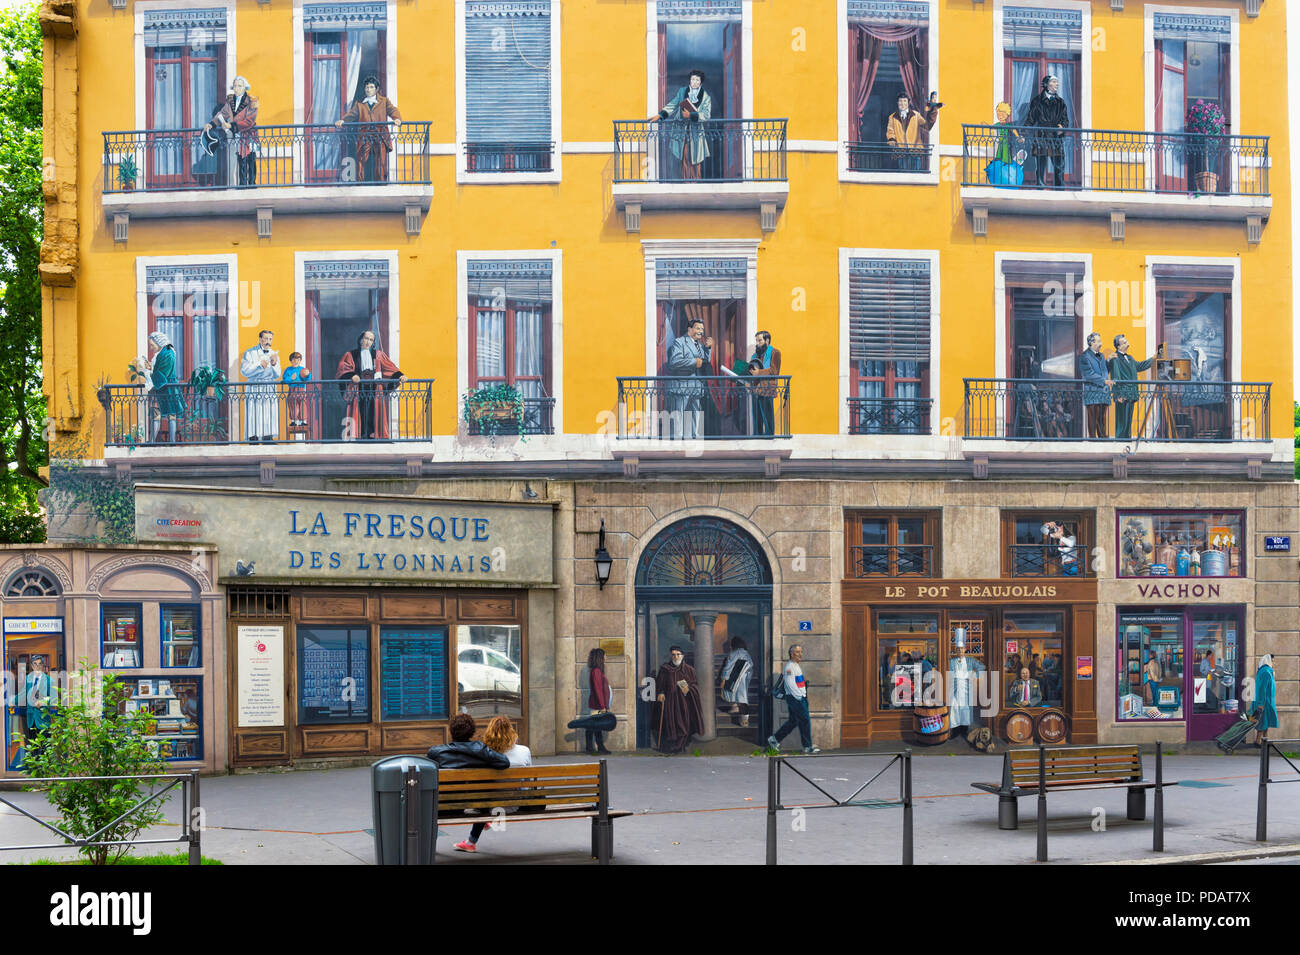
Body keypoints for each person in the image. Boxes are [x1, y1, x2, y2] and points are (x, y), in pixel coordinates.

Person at [452, 715, 532, 853]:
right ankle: (481, 828)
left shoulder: (484, 753)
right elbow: (528, 782)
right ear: (511, 731)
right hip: (516, 805)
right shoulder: (524, 751)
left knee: (482, 798)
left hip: (488, 806)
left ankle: (471, 842)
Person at [335, 330, 406, 440]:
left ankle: (374, 435)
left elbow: (389, 367)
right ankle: (359, 435)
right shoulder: (351, 354)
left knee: (374, 412)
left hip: (375, 389)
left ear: (373, 342)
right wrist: (352, 375)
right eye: (366, 338)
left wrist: (400, 375)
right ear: (360, 340)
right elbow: (343, 368)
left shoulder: (378, 355)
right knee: (360, 412)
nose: (368, 342)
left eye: (371, 340)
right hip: (358, 389)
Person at [335, 76, 402, 182]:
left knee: (381, 161)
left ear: (376, 89)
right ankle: (360, 183)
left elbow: (392, 110)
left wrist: (397, 118)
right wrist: (343, 120)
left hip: (380, 135)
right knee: (361, 160)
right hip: (365, 135)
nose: (368, 90)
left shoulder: (384, 101)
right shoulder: (360, 104)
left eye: (371, 87)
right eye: (367, 87)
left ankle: (380, 183)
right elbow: (351, 115)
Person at [651, 69, 711, 179]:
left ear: (701, 82)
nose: (694, 82)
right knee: (685, 157)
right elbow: (673, 105)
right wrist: (661, 115)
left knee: (696, 160)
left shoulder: (706, 97)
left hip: (696, 133)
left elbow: (706, 115)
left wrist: (691, 115)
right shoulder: (682, 92)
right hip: (682, 132)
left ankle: (696, 183)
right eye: (692, 79)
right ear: (689, 81)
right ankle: (686, 181)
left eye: (697, 80)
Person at [205, 76, 258, 186]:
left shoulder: (251, 102)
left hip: (249, 136)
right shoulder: (230, 102)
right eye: (235, 86)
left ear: (245, 88)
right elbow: (222, 114)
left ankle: (252, 185)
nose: (237, 88)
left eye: (240, 86)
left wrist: (231, 125)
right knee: (241, 162)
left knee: (251, 161)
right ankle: (242, 186)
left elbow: (249, 121)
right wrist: (211, 124)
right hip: (238, 136)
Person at [665, 319, 713, 440]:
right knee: (679, 414)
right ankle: (676, 441)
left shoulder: (700, 346)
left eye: (702, 329)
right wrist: (693, 362)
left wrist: (708, 349)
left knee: (695, 414)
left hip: (696, 386)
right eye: (698, 328)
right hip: (682, 386)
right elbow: (673, 362)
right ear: (689, 329)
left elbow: (704, 362)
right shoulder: (679, 342)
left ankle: (695, 438)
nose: (700, 332)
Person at [768, 644, 820, 754]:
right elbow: (791, 685)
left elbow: (797, 682)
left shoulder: (795, 665)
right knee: (805, 721)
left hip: (797, 697)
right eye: (797, 652)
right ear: (792, 654)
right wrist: (800, 697)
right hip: (796, 698)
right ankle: (807, 746)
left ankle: (774, 739)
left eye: (801, 651)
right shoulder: (789, 667)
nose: (800, 654)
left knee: (793, 721)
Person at [652, 645, 704, 754]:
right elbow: (659, 684)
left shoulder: (690, 670)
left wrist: (689, 688)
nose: (675, 657)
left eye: (678, 654)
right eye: (673, 655)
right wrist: (661, 692)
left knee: (684, 725)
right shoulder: (665, 669)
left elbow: (695, 685)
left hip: (684, 703)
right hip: (670, 702)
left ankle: (680, 746)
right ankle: (675, 746)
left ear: (683, 655)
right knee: (672, 724)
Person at [1023, 74, 1069, 187]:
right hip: (1042, 136)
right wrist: (1023, 133)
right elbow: (1031, 118)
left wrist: (1062, 127)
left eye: (1057, 82)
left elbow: (1065, 120)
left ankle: (1059, 187)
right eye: (1054, 82)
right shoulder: (1037, 101)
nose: (1057, 84)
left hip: (1056, 137)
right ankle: (1040, 185)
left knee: (1059, 164)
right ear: (1047, 85)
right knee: (1041, 163)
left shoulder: (1060, 102)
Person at [1108, 334, 1155, 442]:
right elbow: (1115, 376)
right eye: (1124, 342)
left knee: (1128, 420)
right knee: (1121, 421)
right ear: (1118, 346)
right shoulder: (1115, 358)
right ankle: (1120, 443)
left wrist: (1153, 359)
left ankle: (1126, 442)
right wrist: (1118, 395)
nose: (1127, 343)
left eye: (1126, 341)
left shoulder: (1130, 358)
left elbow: (1140, 366)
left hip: (1131, 393)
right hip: (1123, 393)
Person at [240, 329, 281, 442]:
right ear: (260, 339)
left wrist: (274, 364)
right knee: (254, 414)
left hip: (269, 387)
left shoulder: (274, 354)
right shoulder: (249, 353)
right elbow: (244, 371)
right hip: (255, 386)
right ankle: (254, 439)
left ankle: (268, 438)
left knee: (268, 414)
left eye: (270, 339)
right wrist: (259, 365)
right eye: (266, 339)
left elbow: (277, 374)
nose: (268, 341)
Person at [947, 631, 986, 743]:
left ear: (965, 650)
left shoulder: (970, 660)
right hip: (954, 688)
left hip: (966, 689)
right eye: (958, 649)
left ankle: (964, 730)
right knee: (954, 708)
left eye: (962, 649)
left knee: (965, 709)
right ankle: (955, 731)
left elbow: (982, 667)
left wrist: (974, 676)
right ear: (956, 650)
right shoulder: (951, 661)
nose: (960, 651)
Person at [886, 93, 939, 171]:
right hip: (901, 152)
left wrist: (933, 112)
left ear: (908, 103)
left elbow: (927, 126)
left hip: (915, 151)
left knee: (916, 175)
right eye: (900, 101)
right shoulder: (892, 117)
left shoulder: (916, 115)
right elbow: (890, 131)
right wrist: (891, 140)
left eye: (904, 101)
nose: (902, 103)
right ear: (897, 103)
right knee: (903, 175)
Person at [146, 330, 182, 443]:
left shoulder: (168, 353)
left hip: (167, 388)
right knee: (156, 414)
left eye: (152, 345)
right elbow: (159, 371)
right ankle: (152, 441)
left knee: (171, 414)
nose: (151, 348)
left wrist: (149, 374)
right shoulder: (162, 353)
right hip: (161, 388)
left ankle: (172, 442)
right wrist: (151, 369)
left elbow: (162, 373)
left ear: (159, 342)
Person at [748, 331, 782, 436]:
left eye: (760, 340)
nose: (757, 343)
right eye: (756, 340)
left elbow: (774, 371)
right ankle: (757, 438)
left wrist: (759, 372)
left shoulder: (775, 353)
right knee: (756, 419)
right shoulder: (755, 355)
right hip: (755, 390)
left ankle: (769, 439)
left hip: (767, 390)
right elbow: (752, 371)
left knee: (768, 419)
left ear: (767, 341)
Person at [986, 101, 1027, 186]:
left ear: (1007, 115)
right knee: (999, 152)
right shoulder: (998, 124)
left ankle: (1006, 161)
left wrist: (1018, 137)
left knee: (1005, 152)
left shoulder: (1008, 125)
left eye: (1002, 115)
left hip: (1005, 141)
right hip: (1000, 141)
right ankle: (1000, 161)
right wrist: (986, 126)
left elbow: (1014, 131)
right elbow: (992, 128)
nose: (1000, 117)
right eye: (999, 115)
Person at [1079, 332, 1110, 438]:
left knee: (1102, 417)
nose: (1101, 344)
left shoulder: (1101, 355)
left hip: (1103, 392)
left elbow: (1104, 370)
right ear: (1092, 343)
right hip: (1092, 391)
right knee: (1093, 417)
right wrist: (1104, 381)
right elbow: (1088, 374)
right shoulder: (1084, 356)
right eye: (1098, 341)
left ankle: (1103, 437)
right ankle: (1093, 439)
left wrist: (1109, 361)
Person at [23, 656, 54, 761]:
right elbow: (23, 694)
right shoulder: (27, 679)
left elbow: (53, 698)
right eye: (35, 664)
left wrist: (43, 702)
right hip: (31, 719)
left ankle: (44, 774)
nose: (37, 666)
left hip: (43, 719)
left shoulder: (49, 680)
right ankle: (35, 772)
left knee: (44, 748)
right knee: (33, 748)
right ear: (31, 666)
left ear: (43, 665)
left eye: (39, 664)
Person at [718, 637, 753, 728]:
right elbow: (750, 666)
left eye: (730, 645)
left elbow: (728, 667)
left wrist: (724, 679)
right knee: (742, 697)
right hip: (744, 678)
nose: (729, 647)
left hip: (735, 677)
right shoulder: (746, 653)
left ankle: (741, 716)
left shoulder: (733, 653)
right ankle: (744, 719)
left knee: (735, 694)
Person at [584, 647, 612, 754]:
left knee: (594, 726)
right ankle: (595, 747)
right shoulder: (596, 671)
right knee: (594, 726)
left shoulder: (597, 671)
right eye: (604, 655)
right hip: (597, 704)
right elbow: (598, 690)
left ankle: (594, 747)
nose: (606, 657)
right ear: (600, 657)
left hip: (597, 704)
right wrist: (602, 706)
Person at [282, 351, 314, 437]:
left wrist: (308, 374)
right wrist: (291, 378)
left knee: (302, 405)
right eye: (294, 359)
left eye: (298, 359)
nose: (296, 361)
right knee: (293, 405)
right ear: (291, 360)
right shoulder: (288, 370)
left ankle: (302, 422)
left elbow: (307, 379)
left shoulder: (302, 369)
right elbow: (285, 379)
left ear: (300, 361)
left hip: (301, 390)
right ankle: (294, 421)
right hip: (292, 390)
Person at [1250, 654, 1277, 748]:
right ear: (1268, 660)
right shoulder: (1266, 671)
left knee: (1266, 721)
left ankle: (1265, 739)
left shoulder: (1264, 670)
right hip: (1265, 701)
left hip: (1267, 701)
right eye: (1273, 660)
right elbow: (1262, 688)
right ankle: (1258, 741)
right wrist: (1261, 703)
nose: (1274, 662)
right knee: (1263, 721)